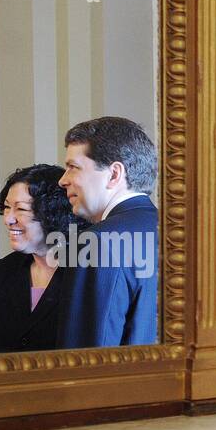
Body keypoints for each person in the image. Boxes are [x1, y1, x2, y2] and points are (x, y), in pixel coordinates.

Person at [55, 116, 159, 348]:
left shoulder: (97, 241)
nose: (63, 180)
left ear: (114, 174)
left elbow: (85, 357)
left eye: (73, 167)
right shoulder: (180, 233)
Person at [0, 165, 84, 353]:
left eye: (21, 209)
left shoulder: (84, 272)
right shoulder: (4, 270)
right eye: (7, 207)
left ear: (52, 215)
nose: (8, 219)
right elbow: (1, 351)